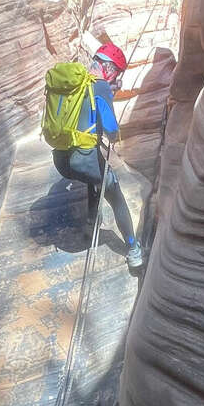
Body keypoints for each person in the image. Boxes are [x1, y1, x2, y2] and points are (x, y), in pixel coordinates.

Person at [51, 31, 143, 268]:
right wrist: (109, 95)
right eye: (117, 75)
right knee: (114, 192)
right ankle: (133, 249)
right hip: (84, 161)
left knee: (96, 177)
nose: (115, 80)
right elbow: (111, 131)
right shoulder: (100, 86)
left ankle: (91, 223)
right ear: (110, 69)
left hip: (60, 160)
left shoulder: (73, 81)